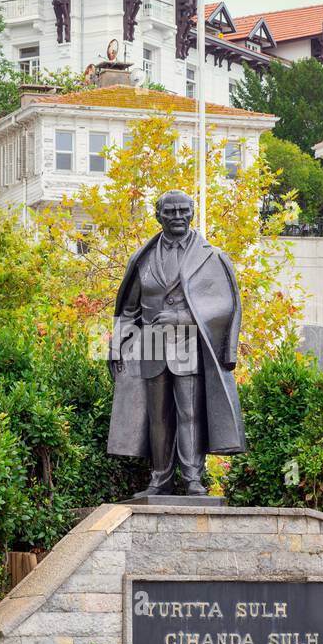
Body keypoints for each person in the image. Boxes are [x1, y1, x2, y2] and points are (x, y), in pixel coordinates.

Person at [107, 190, 246, 497]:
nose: (177, 216)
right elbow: (130, 308)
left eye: (183, 210)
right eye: (169, 212)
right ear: (158, 216)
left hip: (188, 345)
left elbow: (224, 305)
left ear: (192, 212)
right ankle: (160, 479)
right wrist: (118, 345)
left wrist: (182, 317)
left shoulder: (210, 256)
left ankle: (193, 479)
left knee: (189, 413)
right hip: (152, 346)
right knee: (158, 417)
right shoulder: (143, 257)